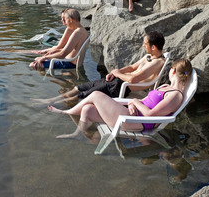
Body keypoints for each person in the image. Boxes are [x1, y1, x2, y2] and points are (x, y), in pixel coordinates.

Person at [47, 59, 192, 138]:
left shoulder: (174, 95)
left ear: (172, 71)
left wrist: (133, 101)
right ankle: (76, 134)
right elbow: (146, 102)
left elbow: (150, 115)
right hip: (131, 113)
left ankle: (67, 112)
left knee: (96, 95)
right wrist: (133, 104)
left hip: (136, 122)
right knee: (87, 109)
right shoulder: (165, 87)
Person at [32, 31, 165, 105]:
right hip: (117, 80)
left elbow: (134, 79)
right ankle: (51, 100)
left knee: (83, 96)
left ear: (153, 47)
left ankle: (55, 105)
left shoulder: (156, 63)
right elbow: (132, 67)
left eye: (145, 44)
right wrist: (114, 72)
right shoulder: (149, 57)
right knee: (80, 87)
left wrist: (118, 73)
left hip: (119, 87)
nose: (143, 46)